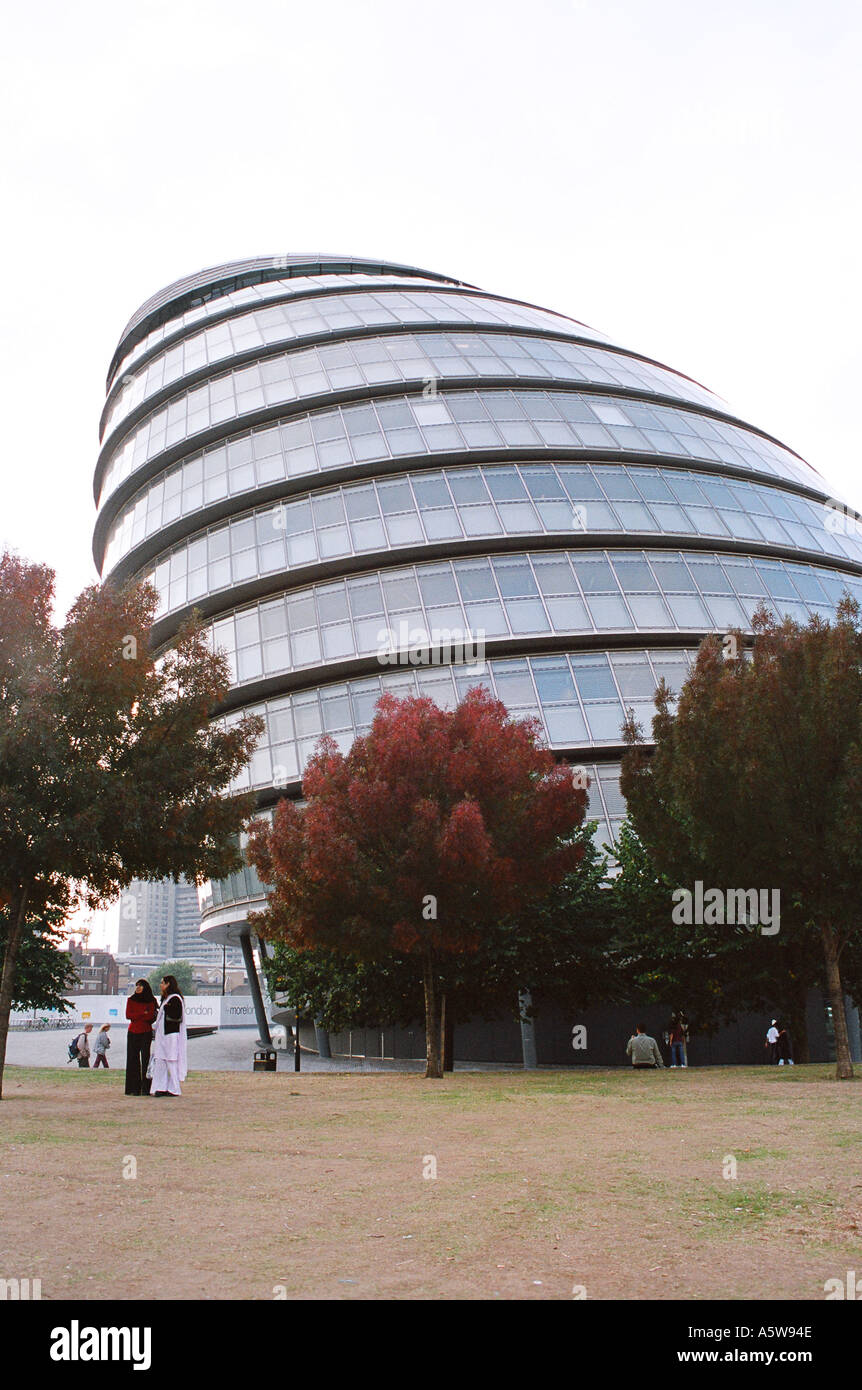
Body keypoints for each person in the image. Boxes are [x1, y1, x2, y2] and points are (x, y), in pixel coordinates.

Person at [150, 975, 188, 1097]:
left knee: (171, 1061)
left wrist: (167, 1008)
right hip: (163, 1035)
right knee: (160, 1061)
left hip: (171, 1035)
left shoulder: (175, 999)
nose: (161, 985)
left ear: (168, 984)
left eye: (163, 983)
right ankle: (160, 1087)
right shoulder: (166, 999)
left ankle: (174, 1088)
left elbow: (177, 1016)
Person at [125, 980, 157, 1095]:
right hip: (133, 1032)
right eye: (136, 985)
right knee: (132, 1059)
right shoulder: (131, 999)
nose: (138, 987)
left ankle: (146, 1088)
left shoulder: (151, 1000)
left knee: (145, 1059)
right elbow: (128, 1015)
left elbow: (150, 1016)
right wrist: (142, 1013)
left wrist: (139, 1014)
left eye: (140, 985)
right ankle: (133, 1088)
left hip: (145, 1032)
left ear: (145, 987)